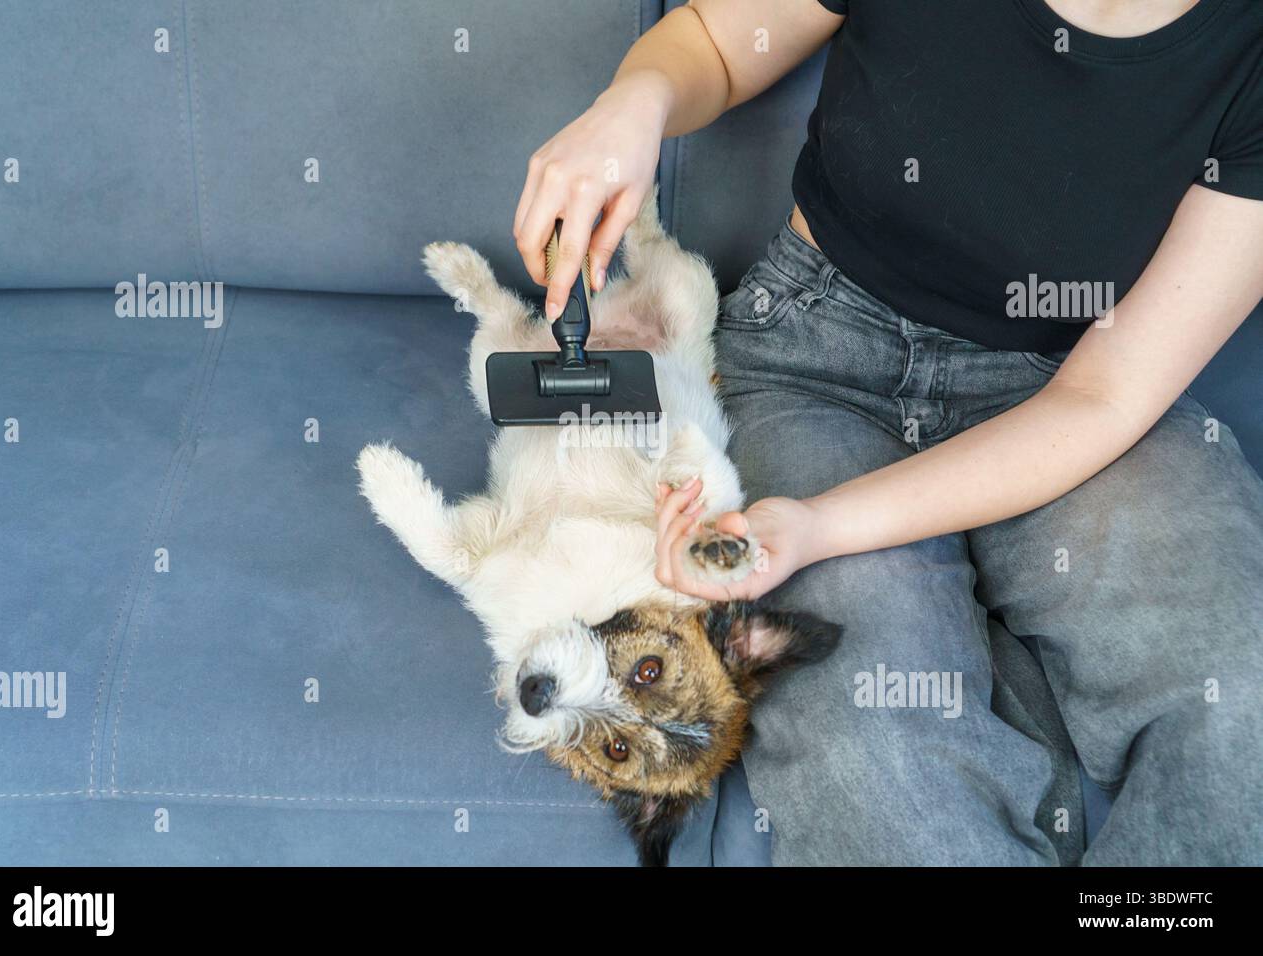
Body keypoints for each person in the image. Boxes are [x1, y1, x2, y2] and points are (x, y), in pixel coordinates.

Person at [513, 0, 1263, 865]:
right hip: (814, 355)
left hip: (1083, 386)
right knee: (874, 763)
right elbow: (720, 43)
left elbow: (1104, 398)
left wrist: (826, 525)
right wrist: (635, 101)